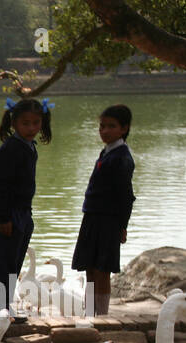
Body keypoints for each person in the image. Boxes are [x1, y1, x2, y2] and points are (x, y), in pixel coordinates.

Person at [71, 104, 135, 316]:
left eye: (111, 126)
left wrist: (122, 226)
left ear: (124, 129)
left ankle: (103, 314)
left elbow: (126, 196)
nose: (104, 131)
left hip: (108, 220)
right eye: (102, 126)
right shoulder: (107, 153)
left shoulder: (122, 158)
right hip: (92, 216)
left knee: (102, 269)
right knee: (89, 265)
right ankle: (90, 311)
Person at [0, 96, 52, 321]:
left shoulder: (28, 147)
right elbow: (0, 186)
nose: (31, 128)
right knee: (5, 263)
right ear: (14, 123)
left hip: (24, 213)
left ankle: (4, 309)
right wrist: (4, 218)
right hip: (10, 215)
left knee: (15, 264)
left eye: (36, 123)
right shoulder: (11, 149)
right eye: (25, 123)